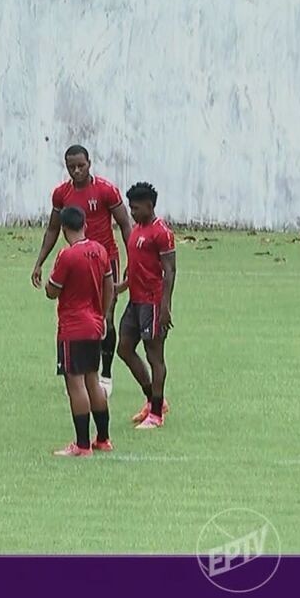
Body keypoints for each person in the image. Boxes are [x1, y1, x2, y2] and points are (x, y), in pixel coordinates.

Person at [31, 145, 132, 396]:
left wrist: (133, 260)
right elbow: (53, 229)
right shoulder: (61, 194)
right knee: (79, 316)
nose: (76, 171)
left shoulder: (106, 190)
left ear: (90, 163)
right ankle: (84, 373)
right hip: (77, 263)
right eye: (71, 167)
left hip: (105, 259)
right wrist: (40, 261)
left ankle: (105, 374)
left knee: (105, 316)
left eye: (81, 166)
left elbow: (124, 223)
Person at [45, 207, 115, 457]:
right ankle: (104, 439)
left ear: (64, 230)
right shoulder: (100, 250)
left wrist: (48, 286)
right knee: (92, 380)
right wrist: (105, 314)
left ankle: (83, 445)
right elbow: (110, 285)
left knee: (76, 385)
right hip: (95, 324)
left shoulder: (67, 256)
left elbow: (52, 290)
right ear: (85, 224)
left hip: (73, 327)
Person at [116, 182, 177, 429]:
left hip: (152, 302)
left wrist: (165, 306)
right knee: (124, 348)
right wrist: (121, 286)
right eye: (130, 207)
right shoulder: (136, 230)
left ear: (150, 206)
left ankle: (156, 414)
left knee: (155, 356)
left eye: (136, 208)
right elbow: (137, 265)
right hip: (135, 300)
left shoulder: (161, 232)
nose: (131, 212)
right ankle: (154, 400)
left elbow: (170, 271)